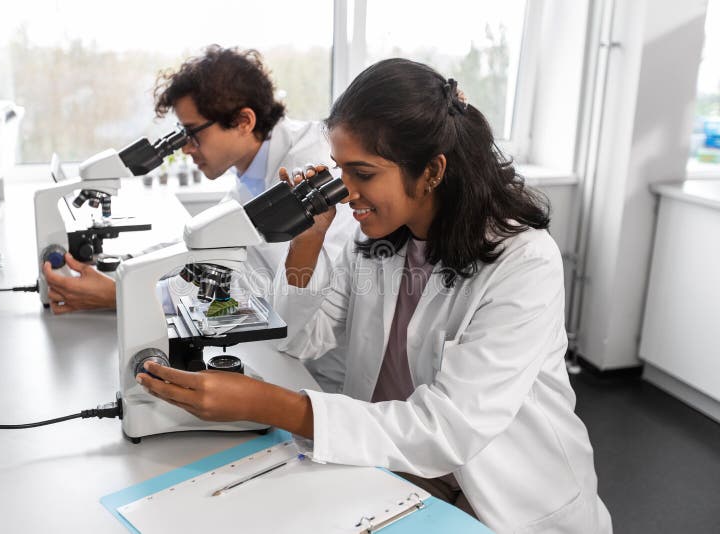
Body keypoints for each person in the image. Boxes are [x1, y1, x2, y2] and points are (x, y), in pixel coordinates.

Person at [136, 57, 612, 533]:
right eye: (341, 170)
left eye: (362, 173)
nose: (346, 191)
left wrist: (268, 404)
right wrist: (308, 238)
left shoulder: (524, 261)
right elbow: (300, 339)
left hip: (500, 499)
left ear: (431, 171)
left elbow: (447, 429)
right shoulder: (377, 245)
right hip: (393, 466)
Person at [43, 46, 354, 378]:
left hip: (318, 375)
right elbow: (200, 246)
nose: (186, 148)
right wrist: (126, 272)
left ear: (243, 121)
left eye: (192, 133)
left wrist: (126, 296)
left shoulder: (308, 173)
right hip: (282, 356)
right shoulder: (251, 174)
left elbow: (269, 295)